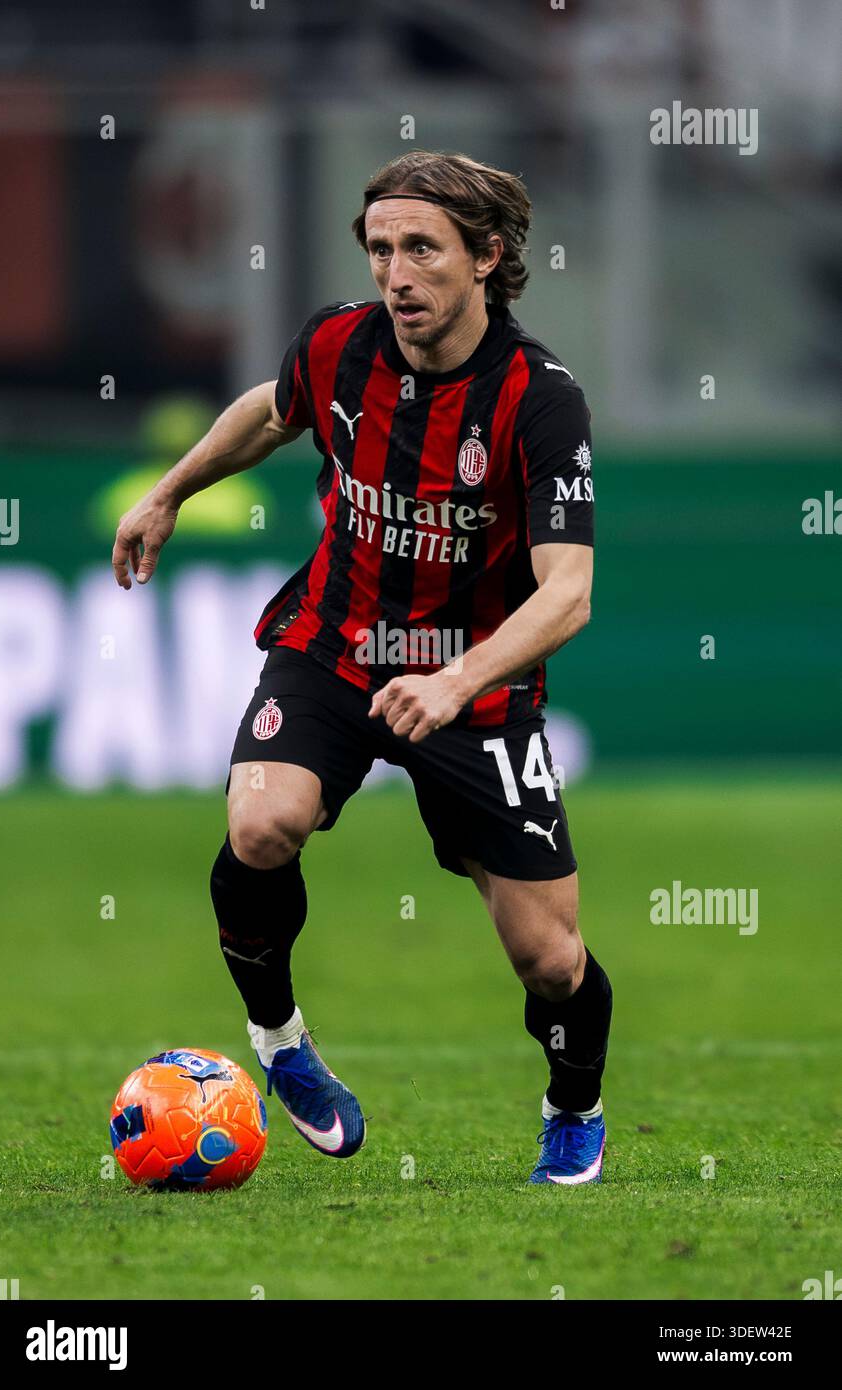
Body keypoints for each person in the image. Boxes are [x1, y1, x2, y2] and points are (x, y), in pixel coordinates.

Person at [112, 150, 612, 1185]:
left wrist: (455, 679)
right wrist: (170, 489)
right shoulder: (340, 345)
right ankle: (280, 1041)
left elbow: (567, 592)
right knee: (259, 824)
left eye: (421, 248)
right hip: (330, 650)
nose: (396, 272)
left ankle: (574, 1105)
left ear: (486, 257)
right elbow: (267, 408)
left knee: (549, 960)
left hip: (470, 685)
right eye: (381, 248)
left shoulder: (538, 400)